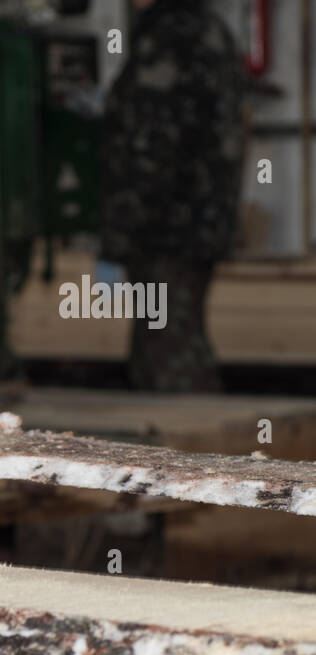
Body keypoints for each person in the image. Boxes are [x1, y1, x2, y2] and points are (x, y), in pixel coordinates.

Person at [100, 0, 244, 392]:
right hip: (190, 221)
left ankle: (195, 448)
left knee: (170, 352)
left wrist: (124, 227)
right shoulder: (201, 26)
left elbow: (151, 143)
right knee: (162, 338)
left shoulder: (170, 34)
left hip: (167, 226)